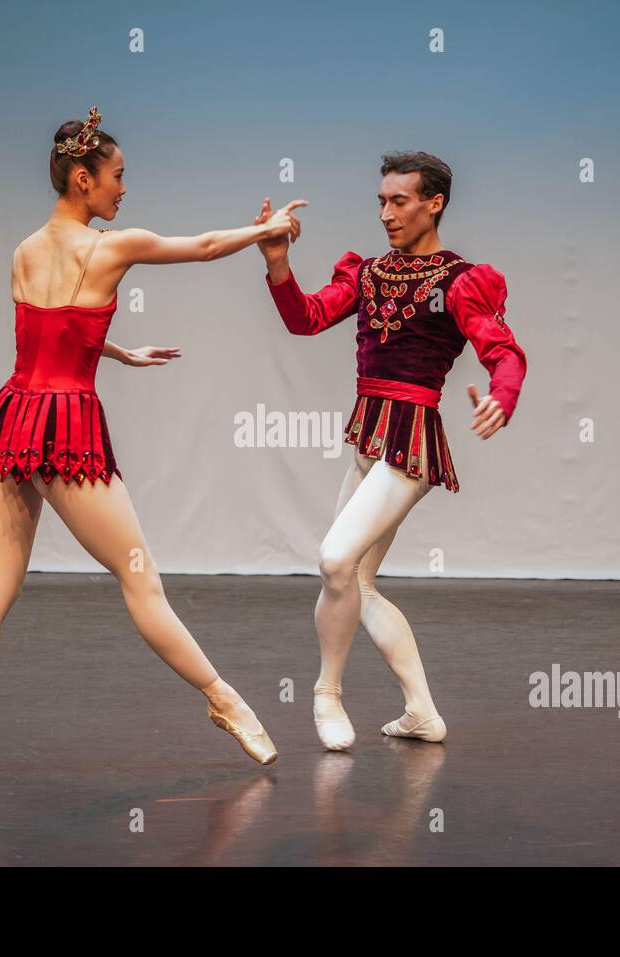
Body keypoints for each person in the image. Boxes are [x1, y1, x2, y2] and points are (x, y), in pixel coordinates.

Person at [0, 107, 306, 767]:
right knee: (141, 579)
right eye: (116, 175)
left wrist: (116, 352)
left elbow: (51, 333)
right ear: (82, 179)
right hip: (62, 424)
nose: (124, 188)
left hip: (10, 419)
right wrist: (269, 228)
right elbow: (199, 248)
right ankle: (224, 699)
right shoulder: (113, 245)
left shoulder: (24, 250)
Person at [254, 150, 526, 750]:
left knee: (333, 561)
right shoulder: (370, 272)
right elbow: (306, 318)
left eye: (398, 201)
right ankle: (422, 713)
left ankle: (325, 691)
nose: (385, 212)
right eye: (381, 200)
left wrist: (502, 397)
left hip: (410, 442)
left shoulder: (459, 282)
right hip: (368, 433)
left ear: (435, 204)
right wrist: (278, 263)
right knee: (360, 581)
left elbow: (502, 351)